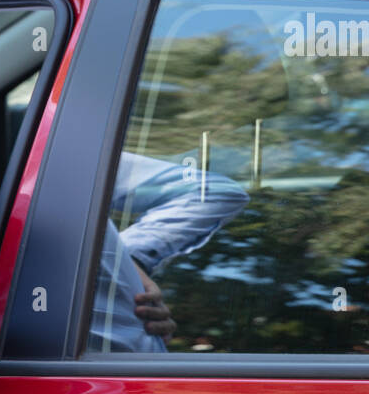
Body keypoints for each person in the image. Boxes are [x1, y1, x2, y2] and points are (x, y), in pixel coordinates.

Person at [89, 151, 249, 352]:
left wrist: (125, 259)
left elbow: (212, 192)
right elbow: (215, 192)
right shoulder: (66, 158)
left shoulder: (64, 158)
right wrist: (122, 259)